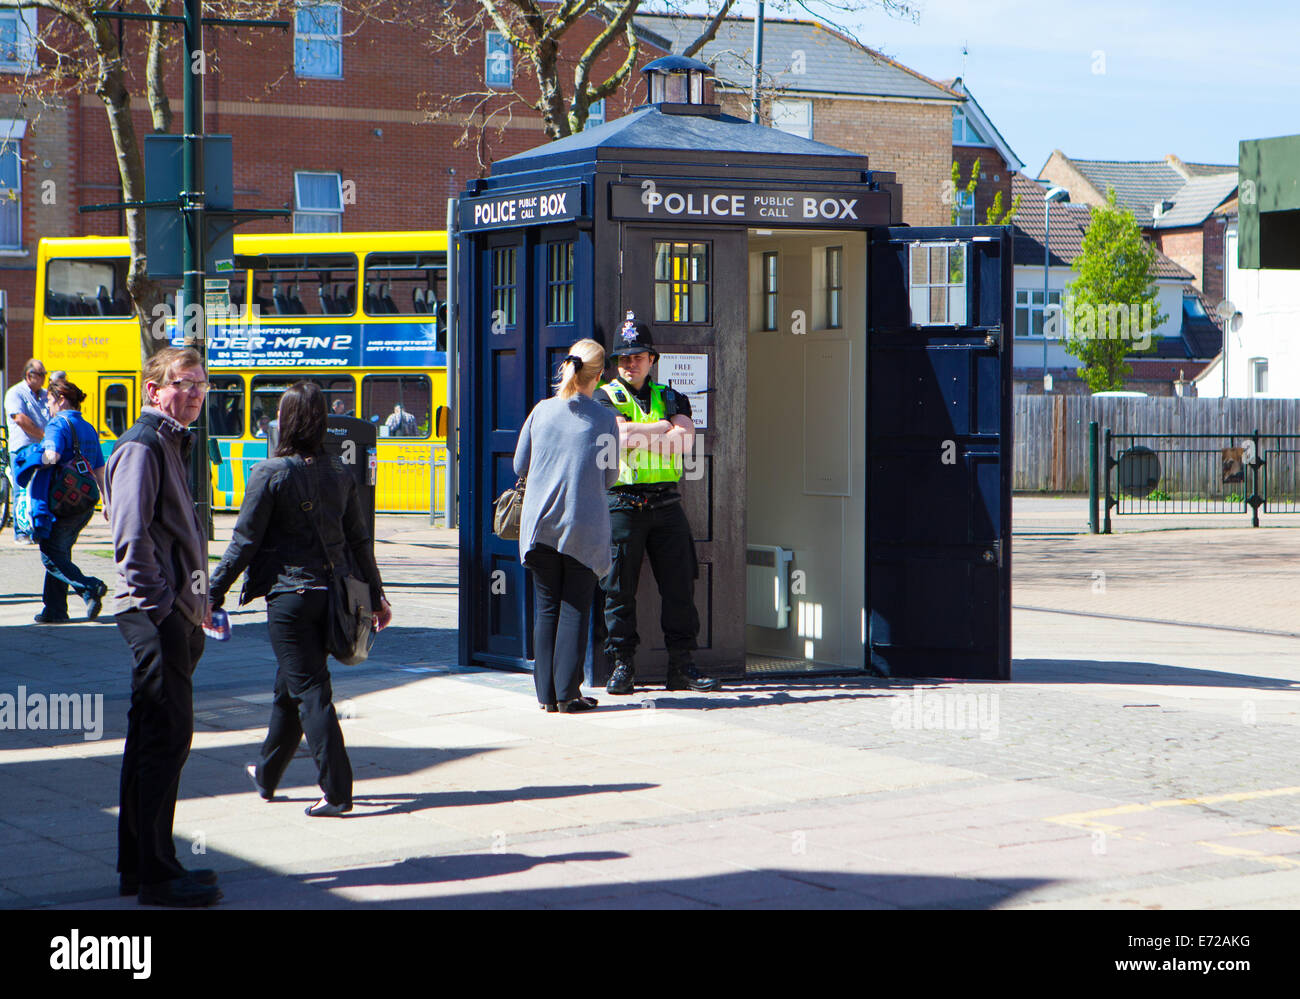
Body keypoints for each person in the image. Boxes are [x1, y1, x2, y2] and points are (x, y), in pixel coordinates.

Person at [208, 381, 391, 817]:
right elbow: (359, 541)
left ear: (285, 422)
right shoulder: (340, 473)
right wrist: (378, 595)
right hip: (333, 597)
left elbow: (243, 544)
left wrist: (210, 593)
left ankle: (337, 791)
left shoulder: (269, 473)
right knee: (288, 690)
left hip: (290, 599)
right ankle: (267, 775)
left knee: (310, 691)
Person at [107, 346, 220, 907]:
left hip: (173, 612)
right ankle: (155, 874)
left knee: (151, 736)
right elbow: (132, 541)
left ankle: (145, 864)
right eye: (184, 384)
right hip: (153, 616)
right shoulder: (144, 445)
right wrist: (166, 609)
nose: (195, 393)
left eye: (201, 384)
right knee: (167, 736)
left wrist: (198, 605)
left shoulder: (173, 441)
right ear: (154, 391)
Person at [597, 313, 718, 695]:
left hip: (666, 504)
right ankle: (622, 666)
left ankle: (682, 666)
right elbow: (618, 435)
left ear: (652, 358)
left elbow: (685, 443)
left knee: (680, 589)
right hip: (622, 502)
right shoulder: (605, 396)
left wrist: (639, 433)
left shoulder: (673, 395)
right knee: (619, 590)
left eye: (636, 357)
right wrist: (662, 427)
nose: (629, 364)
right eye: (622, 358)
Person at [513, 339, 620, 713]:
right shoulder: (604, 418)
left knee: (546, 609)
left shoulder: (541, 410)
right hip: (581, 525)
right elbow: (610, 476)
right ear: (600, 374)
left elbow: (518, 465)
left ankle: (546, 697)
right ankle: (568, 694)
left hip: (539, 523)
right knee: (575, 606)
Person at [34, 376, 108, 623]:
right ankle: (55, 610)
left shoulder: (57, 424)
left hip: (62, 501)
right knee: (61, 550)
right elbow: (99, 468)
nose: (48, 407)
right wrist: (107, 501)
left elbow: (52, 456)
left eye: (49, 401)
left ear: (61, 399)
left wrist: (33, 459)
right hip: (85, 503)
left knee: (51, 553)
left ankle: (89, 587)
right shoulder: (88, 427)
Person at [5, 358, 49, 543]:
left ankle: (39, 530)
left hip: (42, 448)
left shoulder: (46, 394)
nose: (44, 378)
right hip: (23, 448)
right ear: (30, 375)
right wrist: (44, 435)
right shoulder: (16, 393)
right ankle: (21, 532)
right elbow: (20, 419)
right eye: (42, 375)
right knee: (22, 489)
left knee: (40, 488)